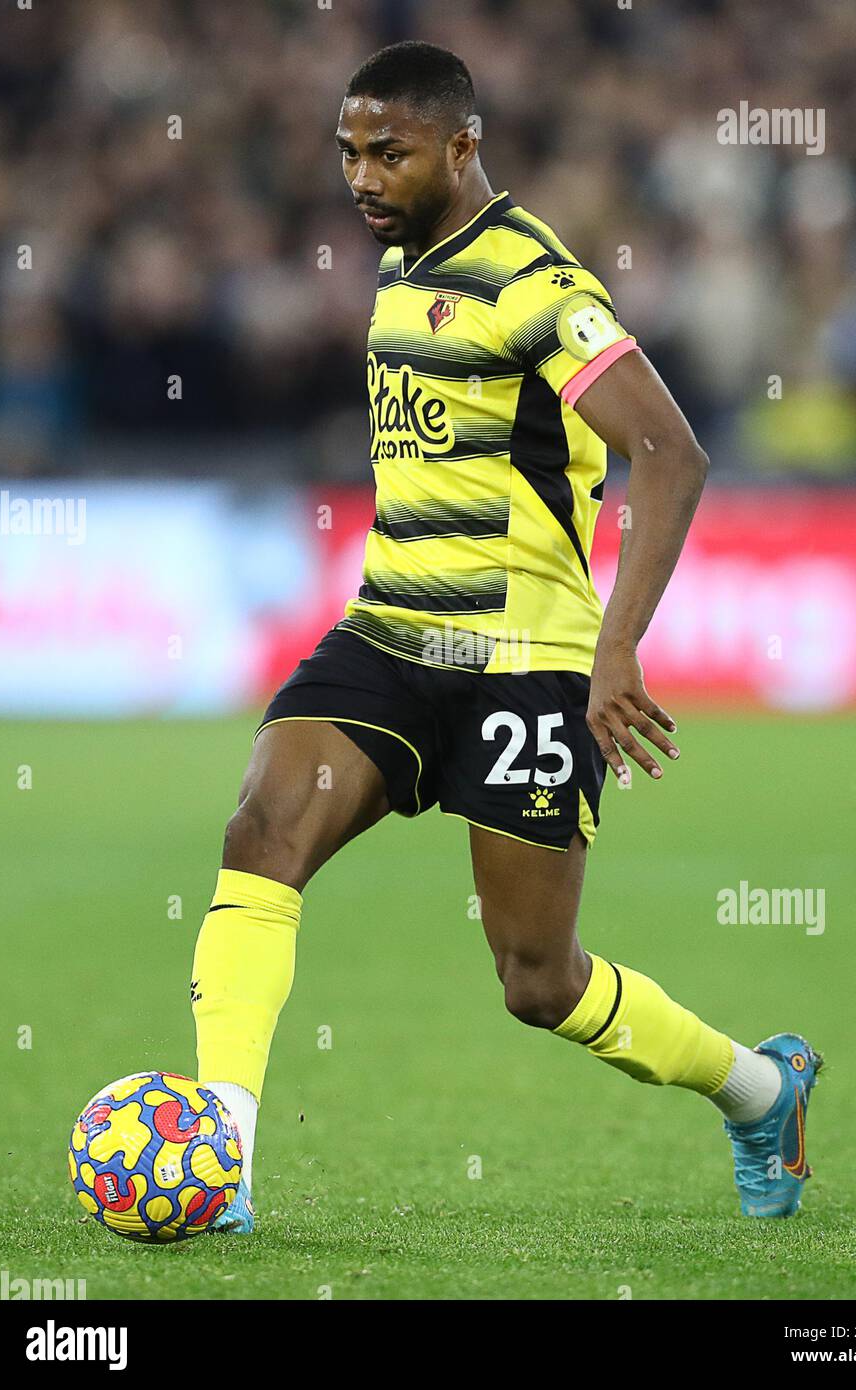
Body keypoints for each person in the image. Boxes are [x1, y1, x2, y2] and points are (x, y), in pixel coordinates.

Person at [190, 41, 821, 1234]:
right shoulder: (400, 268)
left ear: (462, 144)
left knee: (538, 978)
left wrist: (614, 651)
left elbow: (671, 452)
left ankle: (758, 1087)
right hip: (389, 633)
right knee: (260, 832)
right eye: (348, 152)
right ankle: (220, 1157)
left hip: (524, 661)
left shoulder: (533, 280)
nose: (362, 175)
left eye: (389, 152)